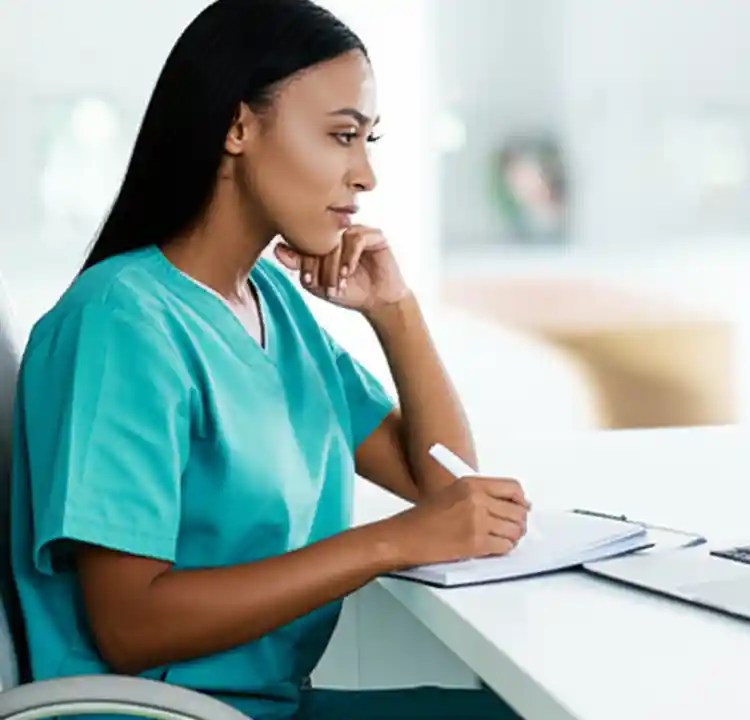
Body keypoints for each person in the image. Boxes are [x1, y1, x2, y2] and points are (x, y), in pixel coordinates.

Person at [8, 1, 527, 717]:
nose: (366, 174)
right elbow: (129, 627)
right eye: (343, 136)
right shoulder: (122, 321)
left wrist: (395, 313)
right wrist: (391, 543)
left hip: (266, 705)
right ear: (238, 127)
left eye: (369, 139)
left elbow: (442, 486)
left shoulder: (271, 304)